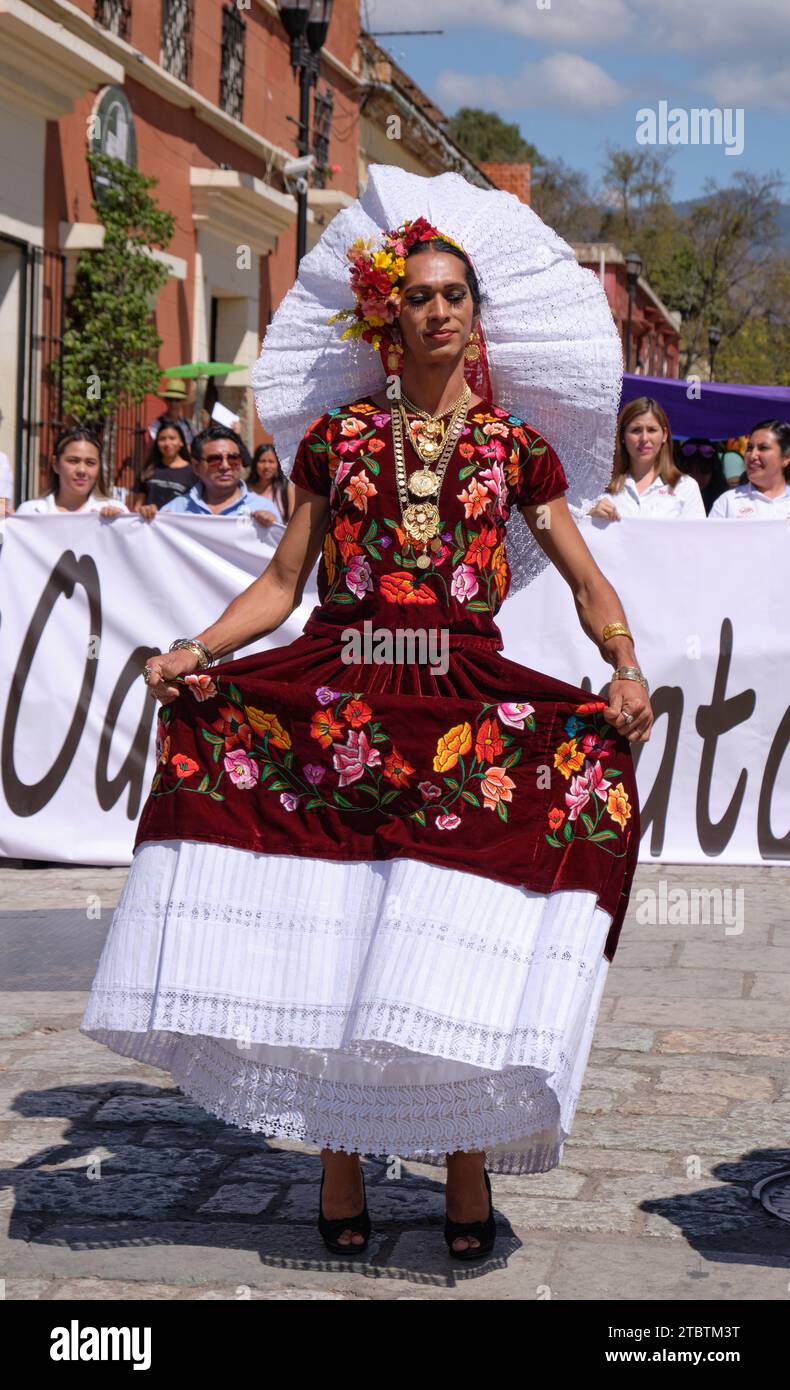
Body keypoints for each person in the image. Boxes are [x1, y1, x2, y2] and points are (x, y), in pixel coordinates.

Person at [80, 186, 651, 1262]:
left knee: (446, 924)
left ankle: (467, 1158)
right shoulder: (334, 443)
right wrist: (199, 650)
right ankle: (338, 1154)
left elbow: (584, 577)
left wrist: (623, 662)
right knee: (342, 926)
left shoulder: (514, 449)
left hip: (463, 700)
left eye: (454, 298)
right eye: (419, 299)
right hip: (341, 689)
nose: (437, 314)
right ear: (388, 319)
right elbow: (283, 581)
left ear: (479, 318)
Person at [583, 398, 706, 520]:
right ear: (622, 436)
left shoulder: (685, 487)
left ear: (664, 435)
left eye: (652, 430)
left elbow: (697, 538)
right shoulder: (597, 486)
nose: (644, 438)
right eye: (636, 430)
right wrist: (588, 514)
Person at [158, 425, 279, 526]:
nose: (225, 466)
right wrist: (148, 519)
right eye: (214, 459)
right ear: (196, 466)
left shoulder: (265, 509)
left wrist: (273, 527)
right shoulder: (175, 511)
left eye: (233, 458)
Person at [14, 427, 129, 516]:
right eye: (73, 461)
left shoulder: (117, 511)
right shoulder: (29, 511)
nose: (82, 470)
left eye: (90, 463)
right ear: (55, 464)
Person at [708, 420, 790, 519]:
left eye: (763, 448)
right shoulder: (727, 502)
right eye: (750, 448)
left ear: (786, 458)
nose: (752, 456)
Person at [130, 421, 198, 518]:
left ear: (181, 442)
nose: (167, 443)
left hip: (176, 530)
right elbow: (137, 506)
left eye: (172, 438)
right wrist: (142, 510)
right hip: (149, 528)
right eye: (162, 439)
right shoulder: (148, 470)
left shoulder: (193, 473)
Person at [675, 437, 728, 513]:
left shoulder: (725, 503)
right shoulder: (669, 498)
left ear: (714, 472)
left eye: (703, 470)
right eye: (689, 471)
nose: (696, 476)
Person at [248, 442, 295, 526]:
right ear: (255, 463)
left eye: (271, 462)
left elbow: (292, 521)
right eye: (262, 461)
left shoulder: (285, 488)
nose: (266, 466)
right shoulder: (246, 489)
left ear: (278, 465)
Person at [147, 379, 195, 448]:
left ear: (182, 402)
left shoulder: (188, 425)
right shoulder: (157, 425)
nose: (173, 404)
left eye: (177, 400)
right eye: (170, 400)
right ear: (166, 401)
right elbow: (152, 449)